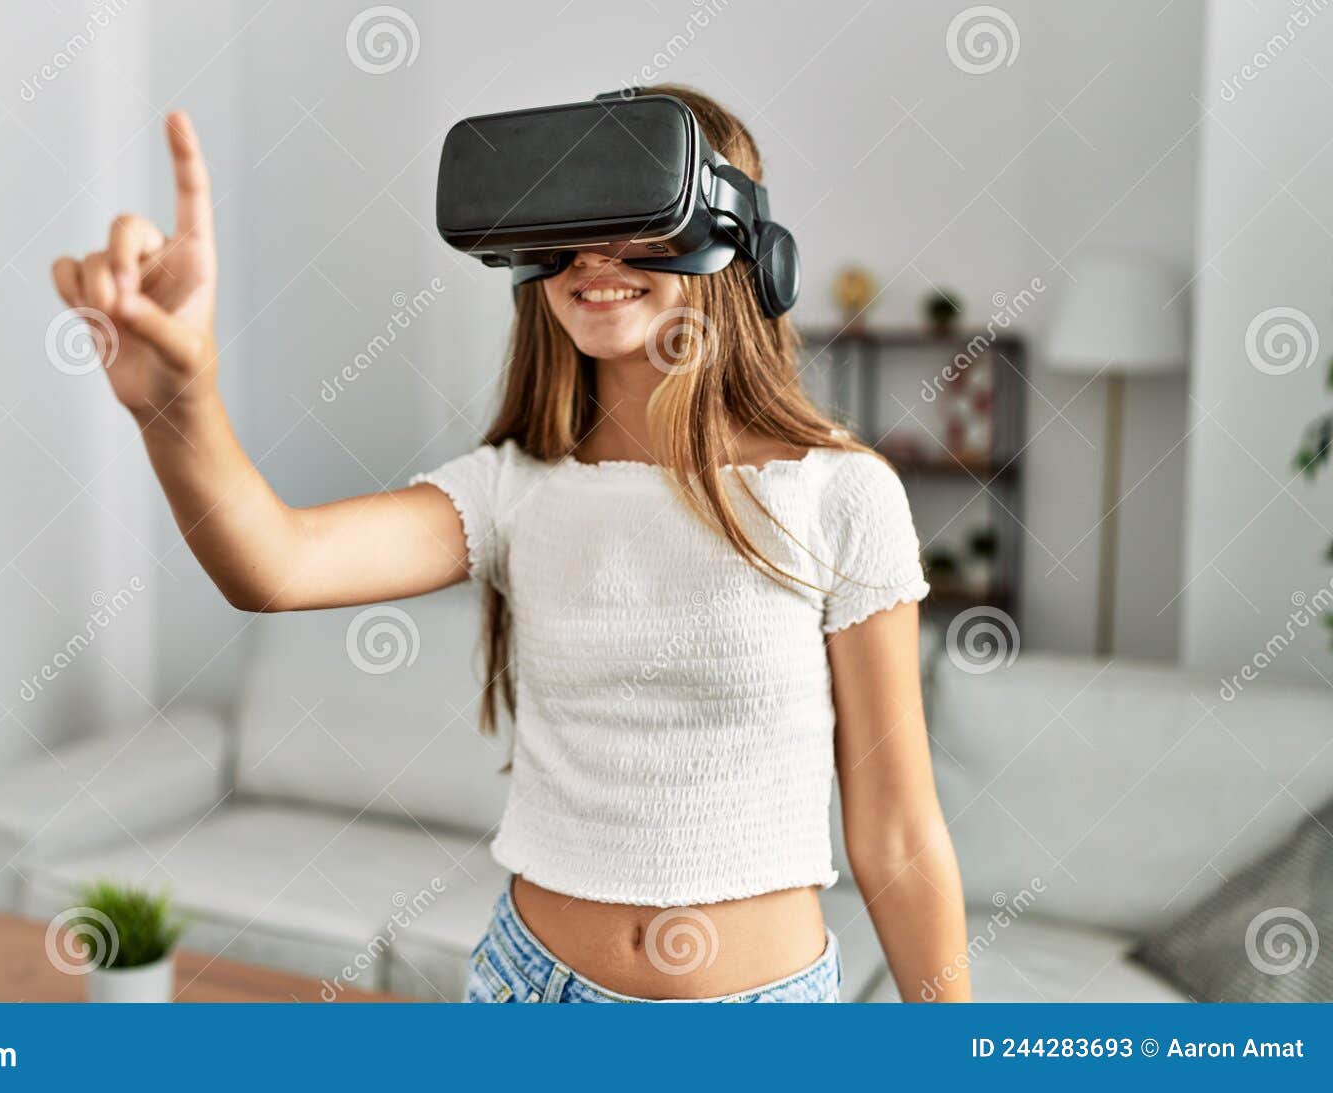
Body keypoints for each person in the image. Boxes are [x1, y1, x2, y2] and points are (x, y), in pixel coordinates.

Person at [50, 86, 971, 1004]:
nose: (591, 257)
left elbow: (896, 834)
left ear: (739, 236)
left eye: (631, 209)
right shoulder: (511, 489)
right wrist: (176, 404)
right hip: (526, 990)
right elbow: (276, 565)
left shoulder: (839, 495)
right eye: (561, 222)